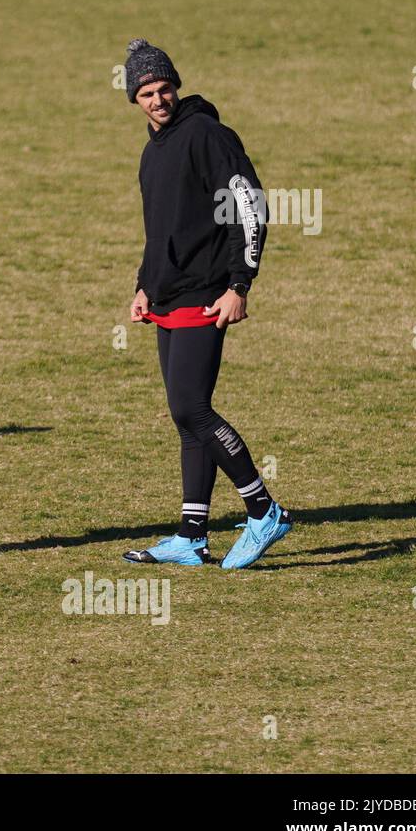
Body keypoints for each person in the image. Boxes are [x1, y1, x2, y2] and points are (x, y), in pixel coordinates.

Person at [119, 38, 291, 569]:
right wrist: (145, 283)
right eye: (146, 92)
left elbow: (250, 206)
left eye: (163, 88)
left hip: (206, 293)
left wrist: (240, 284)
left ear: (177, 84)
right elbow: (161, 229)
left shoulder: (207, 136)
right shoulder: (153, 151)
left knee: (191, 407)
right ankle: (192, 535)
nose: (157, 99)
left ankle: (264, 511)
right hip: (168, 297)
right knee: (186, 418)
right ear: (134, 99)